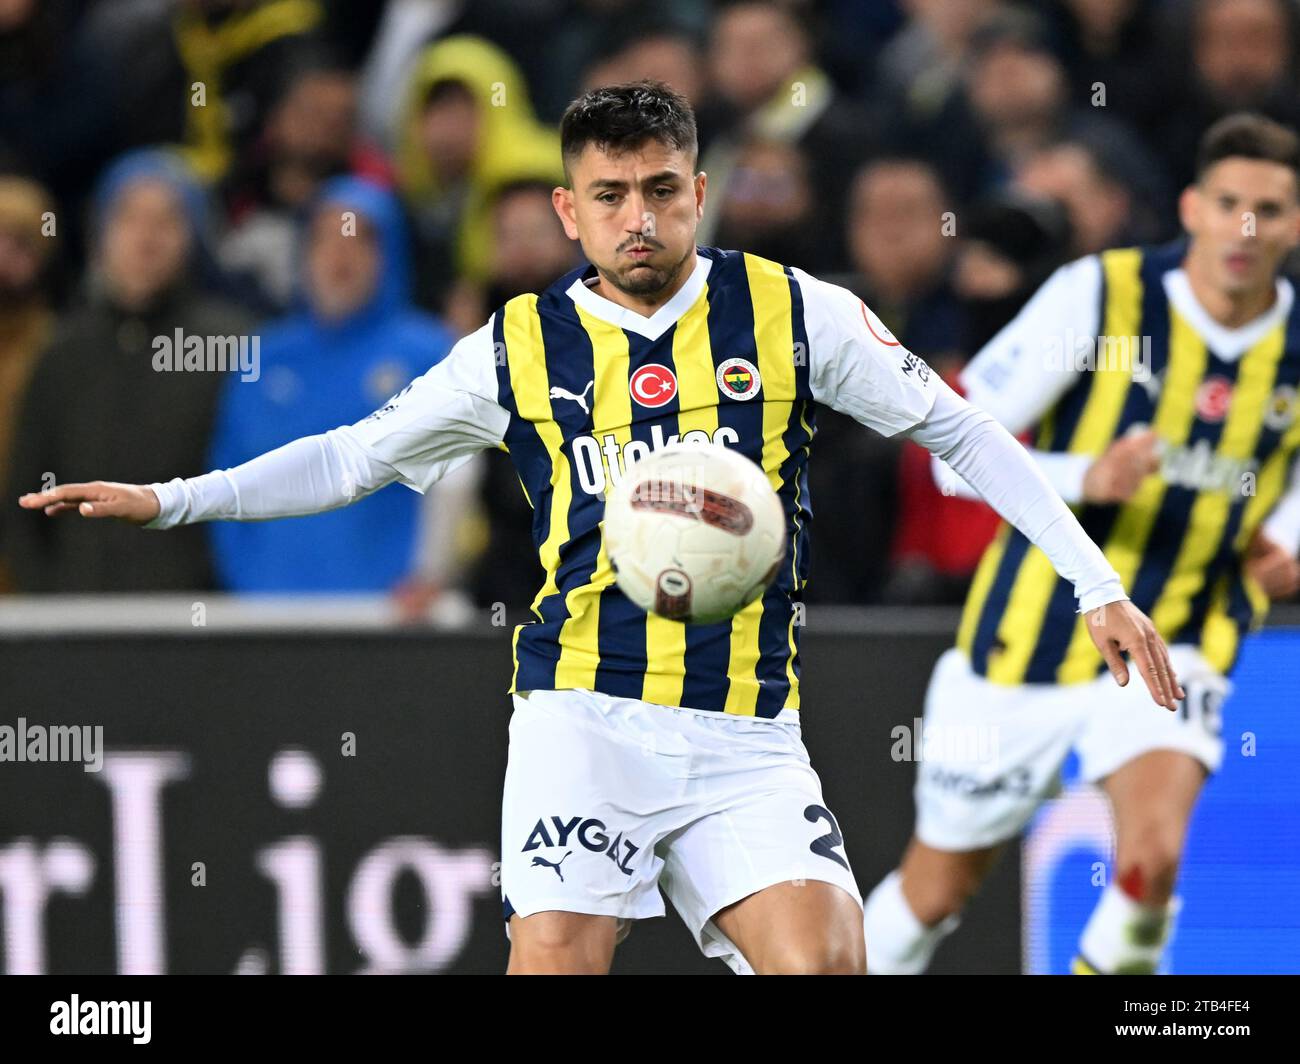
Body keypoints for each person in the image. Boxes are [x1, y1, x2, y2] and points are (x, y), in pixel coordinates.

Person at [19, 81, 1182, 975]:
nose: (640, 219)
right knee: (558, 957)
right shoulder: (516, 344)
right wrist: (174, 497)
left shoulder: (791, 310)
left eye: (663, 190)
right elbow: (352, 456)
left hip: (746, 731)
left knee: (831, 959)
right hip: (585, 716)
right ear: (569, 209)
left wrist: (1094, 584)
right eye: (612, 197)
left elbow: (964, 432)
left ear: (698, 192)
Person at [863, 112, 1300, 975]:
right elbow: (952, 462)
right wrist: (1086, 476)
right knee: (935, 893)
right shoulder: (1101, 295)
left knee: (1150, 860)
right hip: (1027, 636)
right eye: (1229, 203)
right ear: (1191, 208)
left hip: (1179, 634)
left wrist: (1287, 538)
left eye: (1272, 210)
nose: (1247, 230)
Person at [7, 149, 250, 591]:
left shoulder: (230, 345)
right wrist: (52, 598)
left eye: (165, 220)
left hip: (197, 621)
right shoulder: (63, 351)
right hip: (79, 620)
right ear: (101, 233)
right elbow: (23, 502)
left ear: (193, 235)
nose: (146, 237)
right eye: (129, 218)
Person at [207, 176, 456, 593]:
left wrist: (433, 575)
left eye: (361, 239)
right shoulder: (266, 356)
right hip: (268, 615)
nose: (341, 255)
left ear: (389, 253)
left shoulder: (430, 354)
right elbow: (224, 478)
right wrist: (245, 581)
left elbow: (456, 482)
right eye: (324, 239)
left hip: (390, 620)